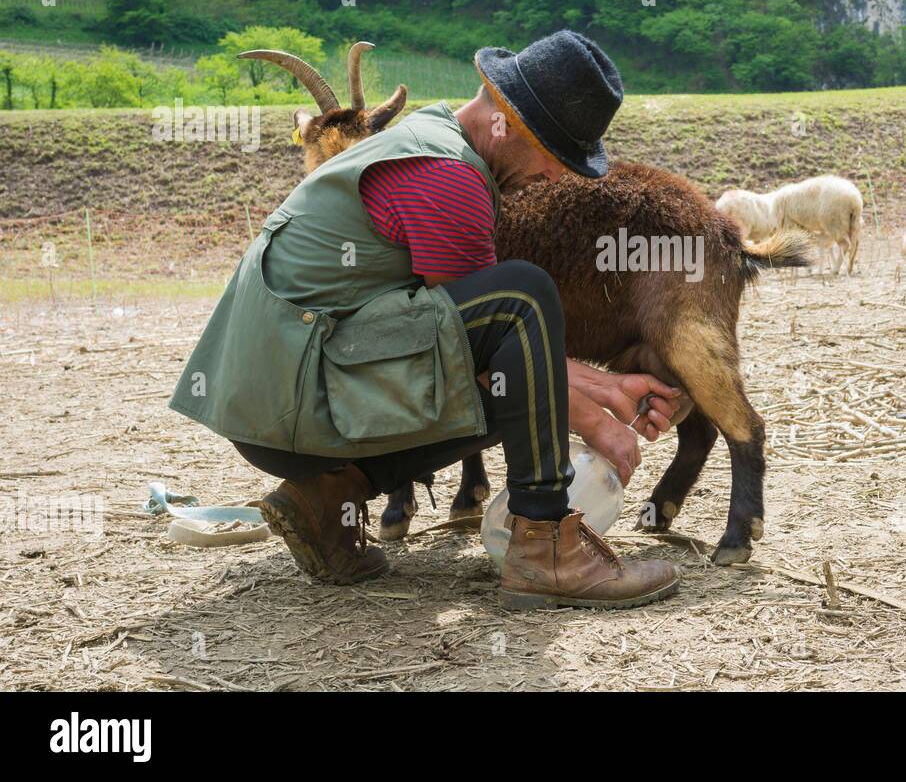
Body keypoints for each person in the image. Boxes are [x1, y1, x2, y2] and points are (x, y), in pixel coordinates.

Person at [169, 30, 684, 609]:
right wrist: (596, 422)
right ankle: (546, 545)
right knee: (524, 294)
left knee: (511, 361)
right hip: (291, 403)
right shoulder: (449, 178)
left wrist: (609, 386)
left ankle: (325, 497)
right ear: (505, 122)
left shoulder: (431, 135)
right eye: (555, 154)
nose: (558, 177)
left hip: (277, 395)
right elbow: (494, 341)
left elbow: (488, 347)